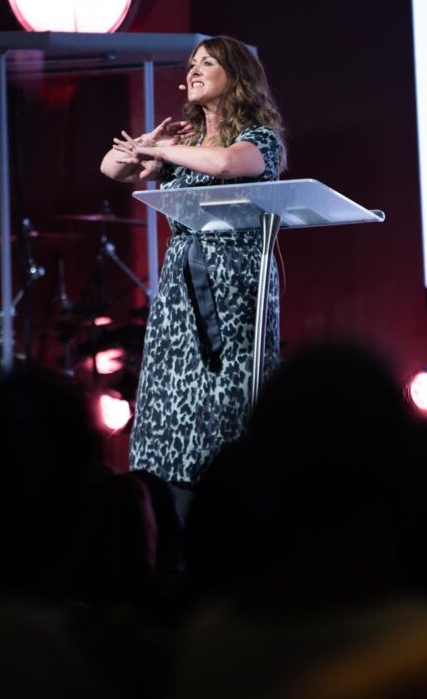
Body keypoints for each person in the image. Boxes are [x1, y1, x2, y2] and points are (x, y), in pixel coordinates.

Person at [99, 35, 287, 505]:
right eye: (191, 64)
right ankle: (168, 505)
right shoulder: (182, 144)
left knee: (224, 399)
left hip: (234, 285)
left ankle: (226, 499)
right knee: (169, 400)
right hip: (180, 289)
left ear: (237, 77)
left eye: (207, 63)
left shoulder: (259, 140)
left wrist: (163, 153)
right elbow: (112, 169)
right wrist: (148, 144)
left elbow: (226, 164)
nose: (193, 70)